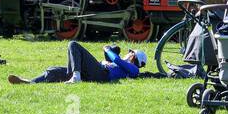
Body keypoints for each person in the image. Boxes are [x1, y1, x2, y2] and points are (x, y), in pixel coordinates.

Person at [8, 42, 145, 84]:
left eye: (130, 52)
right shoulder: (125, 66)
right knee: (53, 70)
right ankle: (31, 82)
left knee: (73, 44)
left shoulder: (134, 69)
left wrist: (107, 49)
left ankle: (76, 76)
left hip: (102, 74)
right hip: (96, 72)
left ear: (133, 57)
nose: (127, 53)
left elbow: (116, 59)